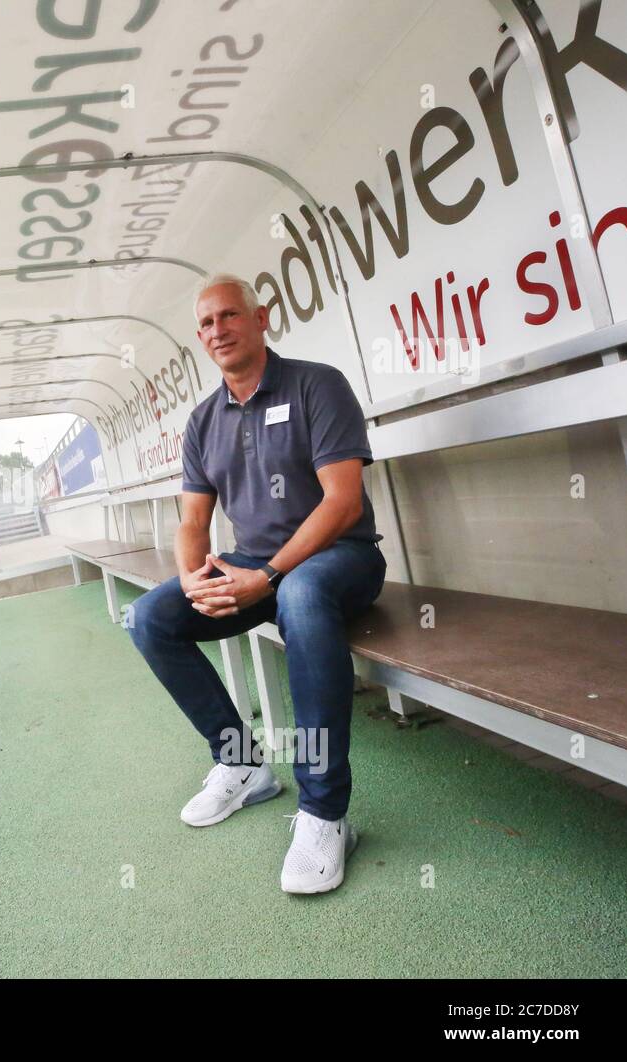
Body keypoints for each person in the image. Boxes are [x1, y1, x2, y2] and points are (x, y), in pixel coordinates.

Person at [127, 273, 386, 894]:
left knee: (298, 593)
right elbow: (193, 518)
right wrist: (196, 582)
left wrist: (269, 574)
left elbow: (343, 503)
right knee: (149, 617)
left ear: (260, 317)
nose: (219, 330)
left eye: (229, 316)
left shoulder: (315, 384)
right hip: (251, 565)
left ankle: (324, 811)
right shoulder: (203, 420)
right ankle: (242, 766)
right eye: (208, 324)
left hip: (339, 559)